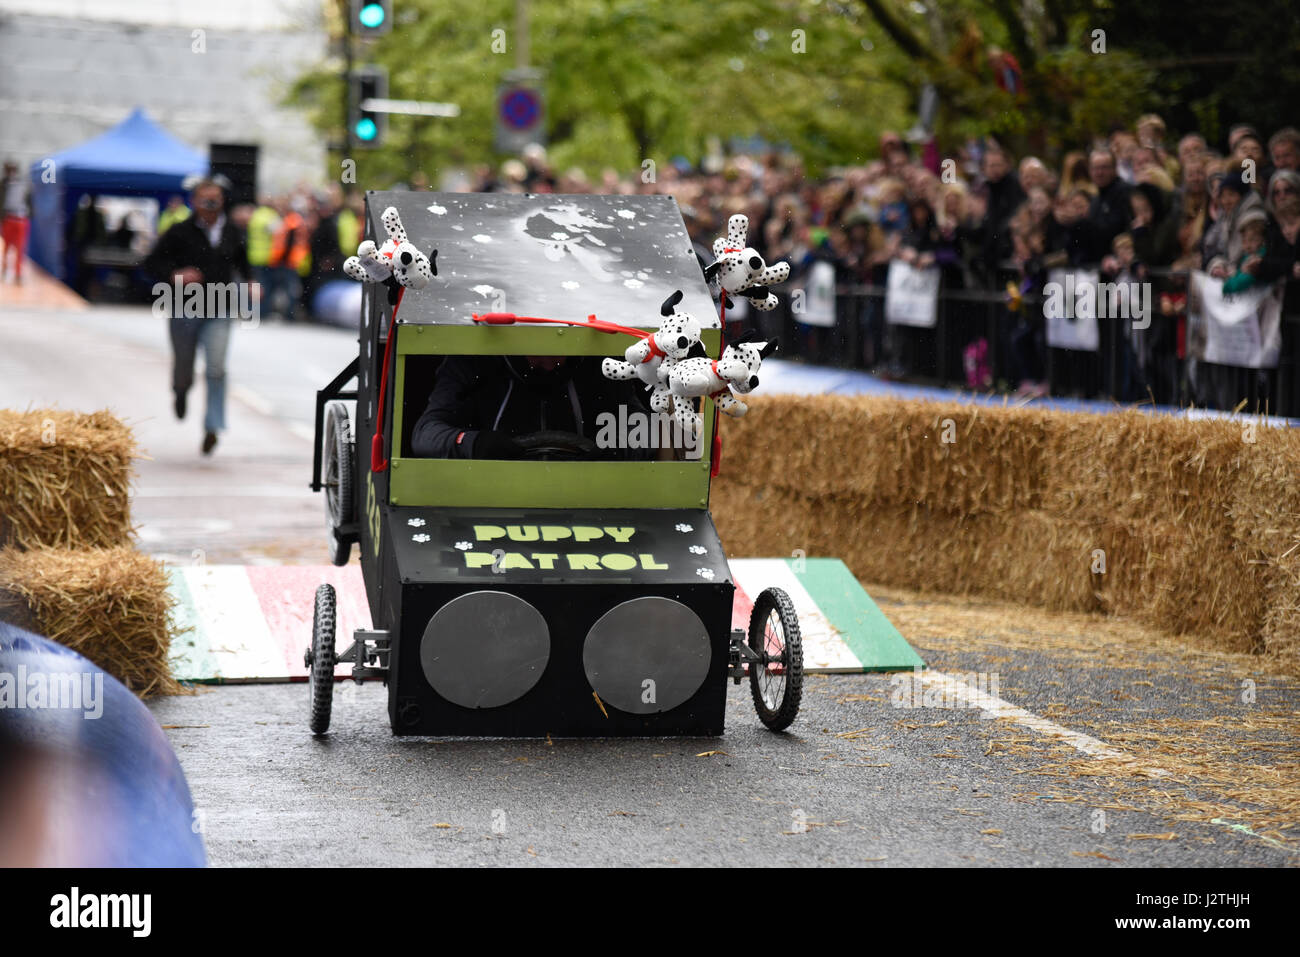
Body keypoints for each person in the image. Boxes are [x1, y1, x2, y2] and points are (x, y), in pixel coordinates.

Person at [143, 178, 248, 456]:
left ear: (223, 201)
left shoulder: (232, 232)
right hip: (184, 307)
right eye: (205, 199)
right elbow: (150, 262)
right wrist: (174, 274)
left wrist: (250, 282)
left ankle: (212, 426)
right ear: (194, 201)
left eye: (215, 199)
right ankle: (180, 389)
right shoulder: (179, 231)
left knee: (216, 368)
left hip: (220, 307)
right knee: (184, 363)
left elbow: (242, 261)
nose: (211, 205)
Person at [410, 354, 658, 460]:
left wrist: (614, 451)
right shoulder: (475, 361)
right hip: (488, 501)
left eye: (559, 353)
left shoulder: (600, 365)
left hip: (589, 500)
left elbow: (645, 431)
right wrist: (474, 443)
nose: (549, 365)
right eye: (539, 353)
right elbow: (425, 434)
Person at [1, 161, 31, 284]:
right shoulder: (3, 185)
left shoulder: (23, 184)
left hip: (21, 220)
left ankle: (18, 273)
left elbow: (29, 201)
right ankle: (4, 269)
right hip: (8, 218)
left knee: (20, 248)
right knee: (7, 247)